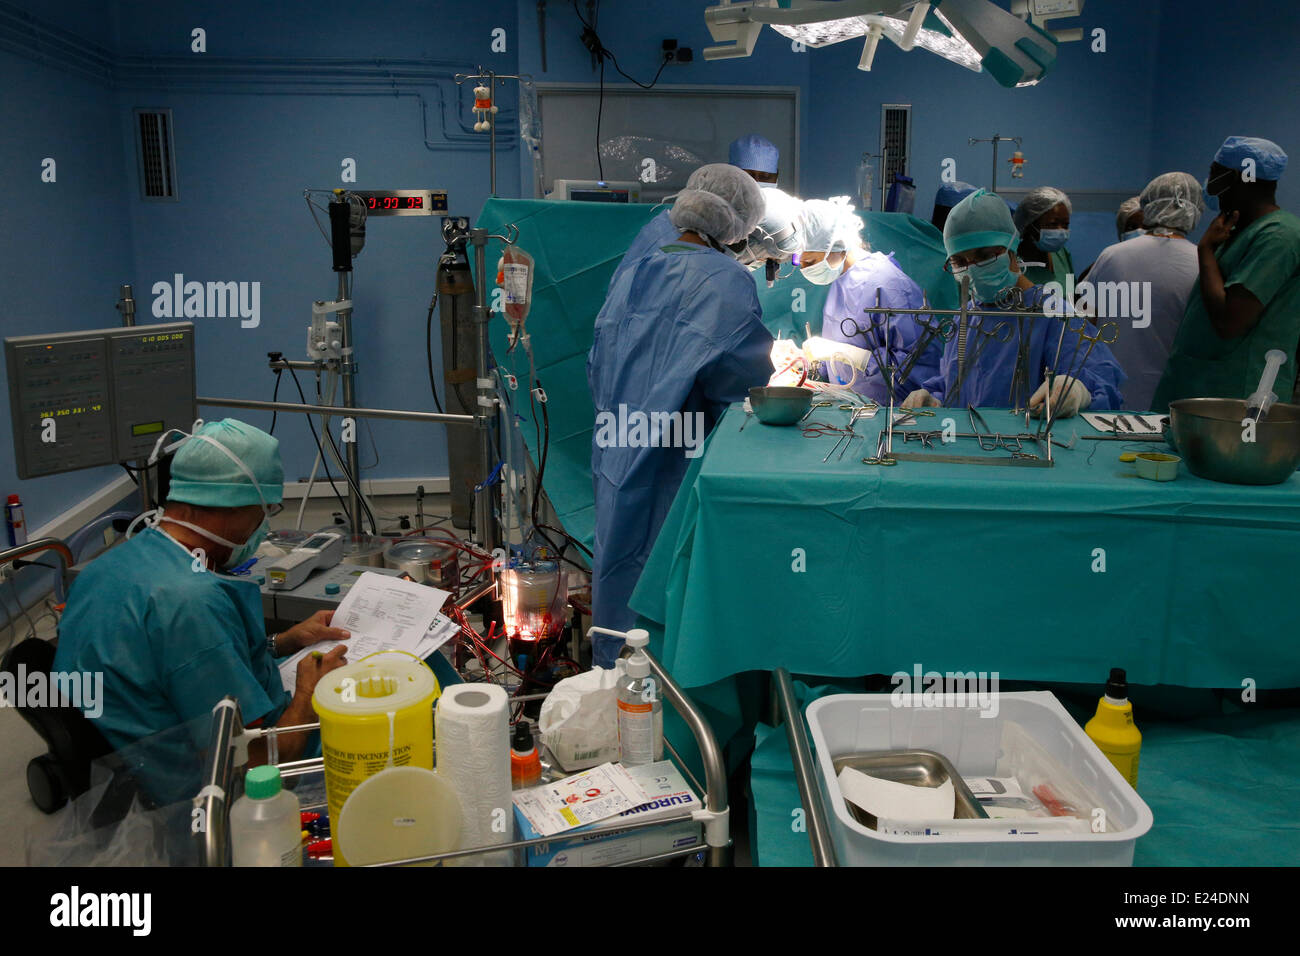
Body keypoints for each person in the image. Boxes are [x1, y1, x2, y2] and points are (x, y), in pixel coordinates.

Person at [54, 420, 351, 794]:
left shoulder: (110, 568)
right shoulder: (191, 603)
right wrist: (309, 694)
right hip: (198, 798)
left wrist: (282, 642)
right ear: (232, 506)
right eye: (265, 509)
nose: (263, 526)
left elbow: (171, 667)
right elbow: (254, 765)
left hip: (137, 762)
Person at [588, 165, 770, 664]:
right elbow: (739, 381)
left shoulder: (634, 271)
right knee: (667, 570)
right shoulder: (726, 279)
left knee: (618, 556)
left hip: (618, 443)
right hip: (681, 454)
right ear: (736, 227)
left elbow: (598, 363)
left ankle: (611, 680)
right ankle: (668, 695)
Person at [902, 189, 1124, 414]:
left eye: (984, 255)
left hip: (1034, 445)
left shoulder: (1054, 315)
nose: (972, 269)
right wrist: (933, 398)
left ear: (1012, 248)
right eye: (959, 261)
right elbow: (957, 387)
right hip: (966, 444)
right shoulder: (965, 319)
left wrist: (1079, 391)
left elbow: (1103, 387)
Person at [1154, 136, 1300, 409]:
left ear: (1236, 177)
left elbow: (1230, 322)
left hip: (1235, 397)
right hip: (1199, 387)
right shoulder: (1237, 233)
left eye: (1214, 174)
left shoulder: (1278, 237)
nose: (1209, 184)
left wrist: (1206, 251)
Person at [1084, 173, 1205, 410]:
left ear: (1148, 204)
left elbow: (1086, 324)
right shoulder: (1202, 263)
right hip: (1171, 401)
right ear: (1195, 211)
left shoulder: (1112, 256)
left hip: (1109, 395)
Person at [800, 198, 934, 401]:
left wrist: (855, 357)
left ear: (838, 245)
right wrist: (806, 361)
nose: (803, 268)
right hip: (849, 408)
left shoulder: (888, 285)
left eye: (809, 261)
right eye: (797, 260)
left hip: (888, 416)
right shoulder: (840, 281)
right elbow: (840, 358)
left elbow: (917, 371)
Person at [1013, 186, 1074, 289]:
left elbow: (1073, 296)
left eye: (1065, 225)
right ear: (1030, 224)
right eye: (1053, 224)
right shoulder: (1013, 263)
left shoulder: (1061, 255)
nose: (1061, 231)